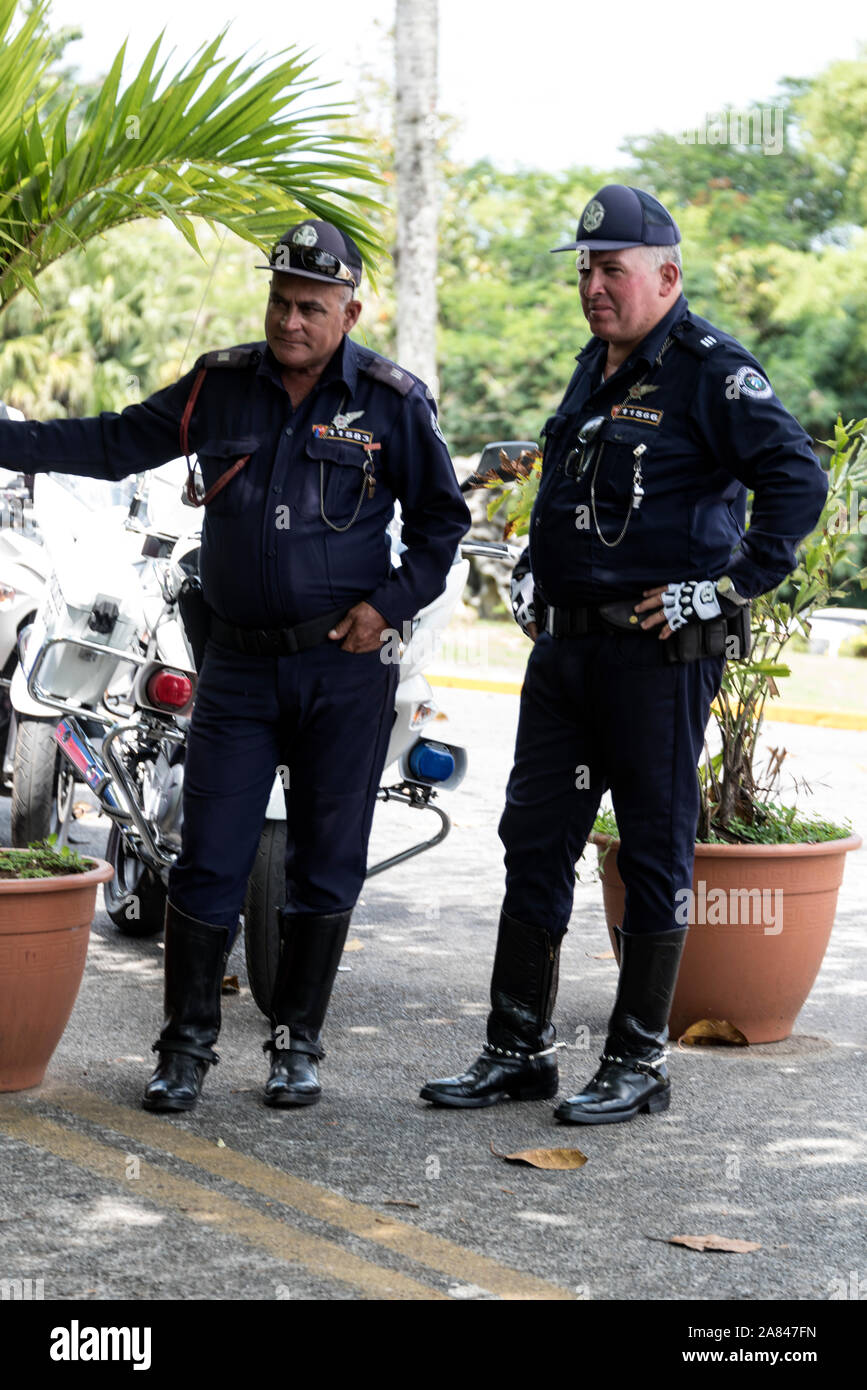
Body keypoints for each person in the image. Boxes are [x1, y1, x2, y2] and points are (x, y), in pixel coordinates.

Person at [0, 218, 470, 1113]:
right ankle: (184, 1049)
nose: (289, 321)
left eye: (309, 307)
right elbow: (112, 443)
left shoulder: (389, 401)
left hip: (343, 670)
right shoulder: (221, 387)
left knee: (328, 863)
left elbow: (445, 523)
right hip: (239, 671)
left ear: (348, 310)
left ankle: (295, 1043)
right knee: (208, 858)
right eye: (279, 301)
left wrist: (389, 606)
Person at [420, 184, 828, 1124]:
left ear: (666, 275)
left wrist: (726, 585)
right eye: (584, 271)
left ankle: (638, 1062)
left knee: (650, 852)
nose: (593, 286)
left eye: (612, 270)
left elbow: (794, 480)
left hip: (655, 662)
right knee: (534, 842)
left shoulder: (709, 370)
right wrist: (537, 566)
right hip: (564, 660)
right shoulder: (596, 365)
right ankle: (516, 1049)